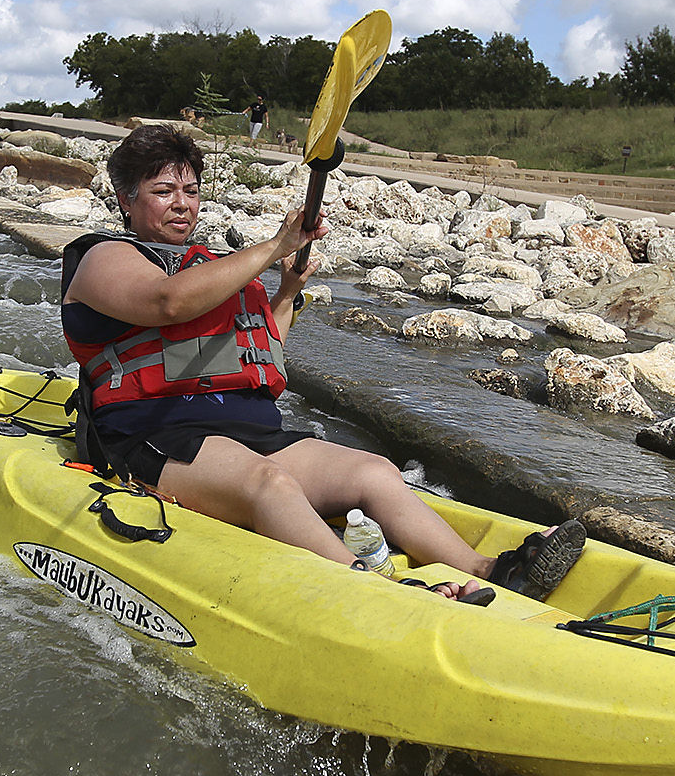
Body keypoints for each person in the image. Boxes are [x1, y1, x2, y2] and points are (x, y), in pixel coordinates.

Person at [59, 124, 584, 603]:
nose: (182, 205)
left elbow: (255, 354)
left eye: (191, 191)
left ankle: (488, 569)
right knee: (272, 486)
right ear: (127, 199)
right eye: (163, 191)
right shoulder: (102, 256)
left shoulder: (211, 267)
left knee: (375, 473)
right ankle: (384, 591)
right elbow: (165, 304)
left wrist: (286, 291)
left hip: (246, 433)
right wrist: (274, 246)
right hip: (157, 437)